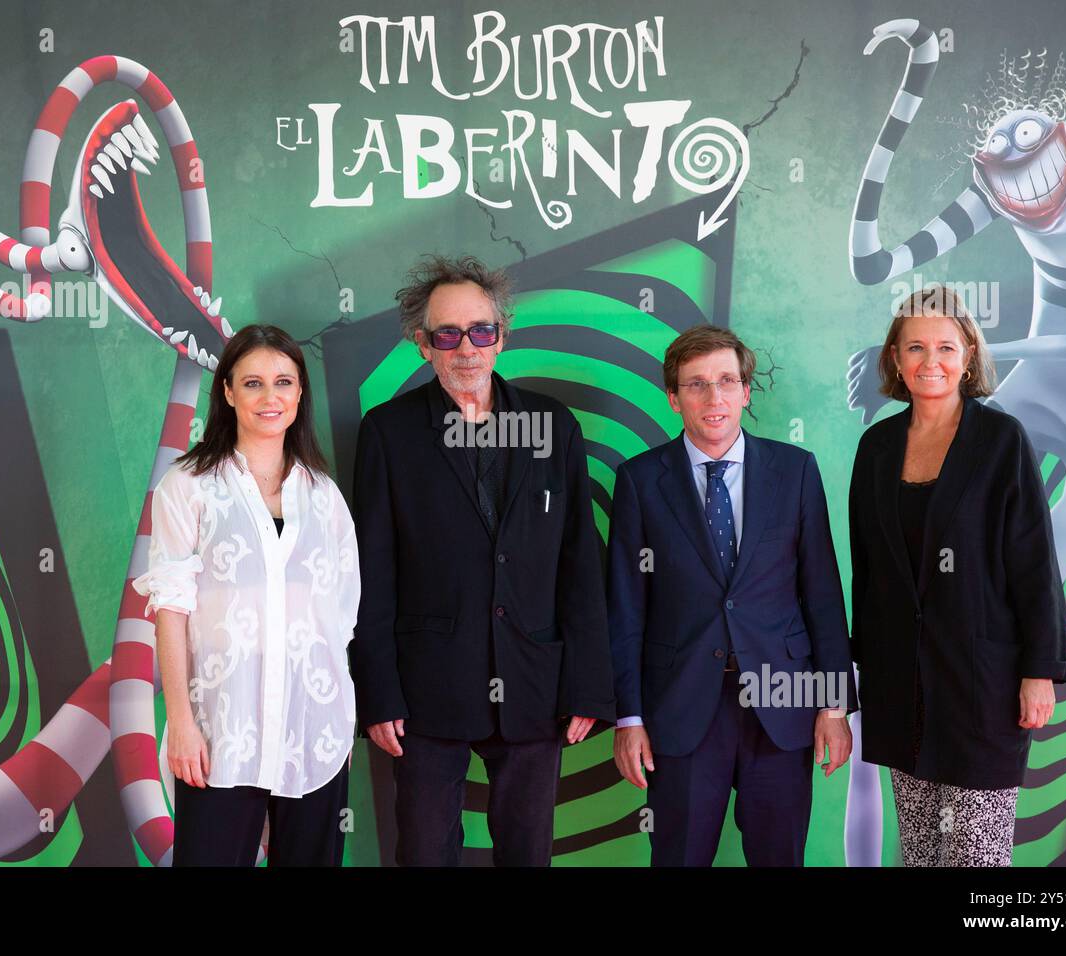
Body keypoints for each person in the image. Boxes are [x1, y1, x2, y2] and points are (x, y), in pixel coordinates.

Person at [350, 254, 615, 866]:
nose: (465, 347)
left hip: (534, 685)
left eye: (480, 330)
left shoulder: (554, 424)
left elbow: (581, 564)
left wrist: (589, 686)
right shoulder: (388, 433)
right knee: (423, 851)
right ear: (423, 345)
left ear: (502, 336)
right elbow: (372, 573)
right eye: (447, 333)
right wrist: (380, 693)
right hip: (425, 692)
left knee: (527, 854)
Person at [607, 324, 856, 867]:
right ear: (673, 398)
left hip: (783, 705)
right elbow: (625, 610)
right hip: (682, 709)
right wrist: (628, 720)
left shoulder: (795, 471)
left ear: (746, 390)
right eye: (696, 385)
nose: (713, 398)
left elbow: (823, 597)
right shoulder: (639, 481)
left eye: (726, 381)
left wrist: (835, 707)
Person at [849, 285, 1066, 866]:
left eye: (946, 347)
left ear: (969, 354)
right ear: (895, 359)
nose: (932, 362)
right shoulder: (875, 447)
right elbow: (868, 572)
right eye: (915, 347)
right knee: (922, 856)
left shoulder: (1001, 441)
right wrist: (860, 675)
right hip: (903, 693)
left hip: (985, 690)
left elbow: (1034, 566)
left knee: (975, 861)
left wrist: (1038, 672)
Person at [132, 324, 359, 866]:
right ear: (228, 392)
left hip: (314, 730)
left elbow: (342, 614)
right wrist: (182, 724)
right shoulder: (186, 486)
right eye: (252, 383)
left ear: (300, 392)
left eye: (283, 382)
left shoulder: (324, 496)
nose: (269, 397)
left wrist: (339, 717)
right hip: (220, 728)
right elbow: (170, 608)